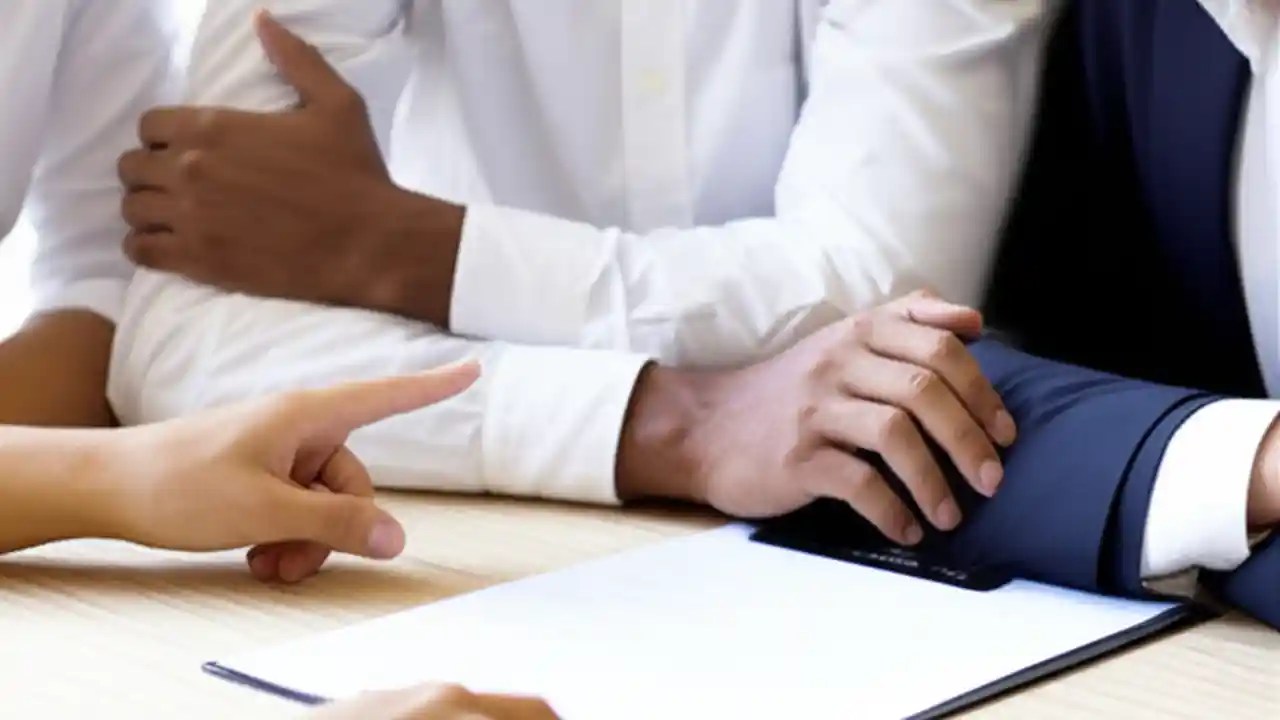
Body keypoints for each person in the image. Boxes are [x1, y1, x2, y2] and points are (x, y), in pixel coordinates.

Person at [111, 1, 1050, 572]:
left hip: (853, 535)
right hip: (465, 548)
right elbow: (185, 353)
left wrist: (404, 251)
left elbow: (884, 297)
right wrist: (674, 424)